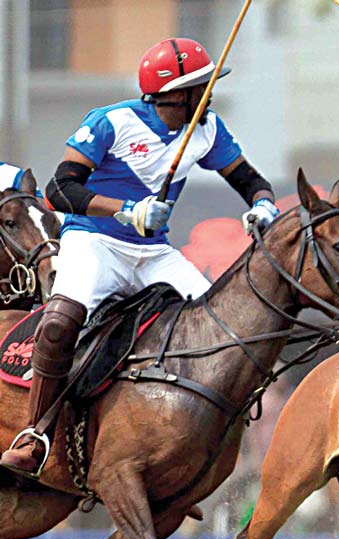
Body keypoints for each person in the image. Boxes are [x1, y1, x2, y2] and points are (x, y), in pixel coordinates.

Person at [0, 38, 278, 478]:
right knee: (59, 323)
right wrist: (127, 210)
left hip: (153, 254)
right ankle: (36, 434)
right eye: (201, 86)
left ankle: (190, 451)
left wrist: (263, 205)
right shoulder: (112, 122)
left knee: (224, 324)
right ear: (176, 92)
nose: (209, 94)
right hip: (93, 243)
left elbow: (249, 179)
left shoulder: (207, 129)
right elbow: (59, 190)